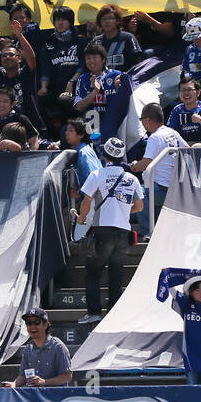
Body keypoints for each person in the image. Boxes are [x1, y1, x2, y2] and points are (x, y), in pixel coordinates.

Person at [73, 136, 144, 324]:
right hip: (123, 232)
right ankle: (113, 314)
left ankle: (94, 313)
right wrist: (121, 209)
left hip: (102, 231)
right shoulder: (131, 178)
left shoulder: (97, 174)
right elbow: (139, 206)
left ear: (105, 156)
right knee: (116, 274)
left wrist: (81, 219)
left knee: (93, 272)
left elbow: (86, 201)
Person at [7, 307, 72, 388]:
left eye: (36, 322)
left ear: (46, 325)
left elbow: (67, 377)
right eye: (29, 323)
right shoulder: (28, 349)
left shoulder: (58, 347)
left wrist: (44, 382)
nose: (32, 326)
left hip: (55, 398)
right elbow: (23, 376)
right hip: (34, 397)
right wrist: (13, 384)